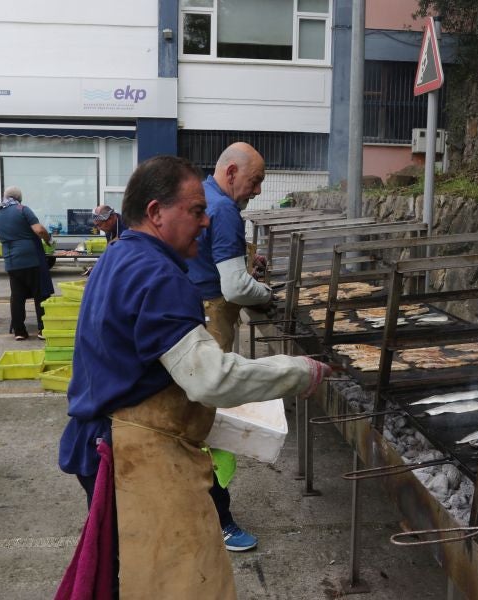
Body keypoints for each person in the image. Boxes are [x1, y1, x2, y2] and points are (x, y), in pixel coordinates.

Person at [57, 155, 330, 599]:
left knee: (125, 571)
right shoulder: (158, 276)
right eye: (196, 211)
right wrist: (297, 371)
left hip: (102, 441)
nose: (205, 223)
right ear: (155, 213)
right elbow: (209, 380)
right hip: (130, 453)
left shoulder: (119, 255)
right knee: (178, 581)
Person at [186, 142, 271, 552]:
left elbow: (220, 266)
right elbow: (233, 286)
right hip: (210, 317)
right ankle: (217, 519)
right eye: (254, 182)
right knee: (207, 420)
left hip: (194, 312)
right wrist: (267, 294)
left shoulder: (207, 197)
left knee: (198, 414)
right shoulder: (222, 210)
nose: (256, 191)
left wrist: (246, 268)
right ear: (232, 172)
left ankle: (204, 512)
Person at [0, 186, 54, 341]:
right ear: (19, 198)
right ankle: (42, 329)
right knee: (40, 294)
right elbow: (39, 230)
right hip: (30, 258)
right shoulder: (22, 209)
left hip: (12, 261)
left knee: (17, 296)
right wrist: (49, 239)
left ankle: (19, 331)